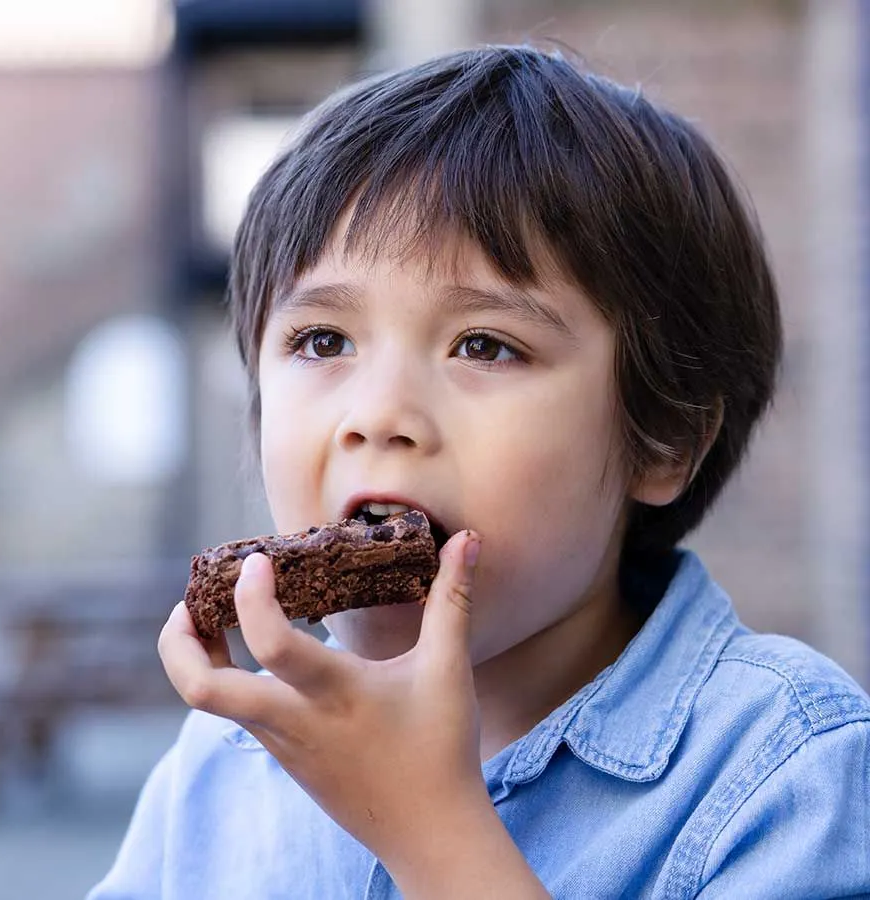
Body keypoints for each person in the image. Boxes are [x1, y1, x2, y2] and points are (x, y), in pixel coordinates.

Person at [88, 45, 870, 899]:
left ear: (664, 439)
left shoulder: (788, 772)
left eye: (485, 345)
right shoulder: (219, 770)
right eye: (323, 342)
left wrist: (432, 835)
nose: (378, 414)